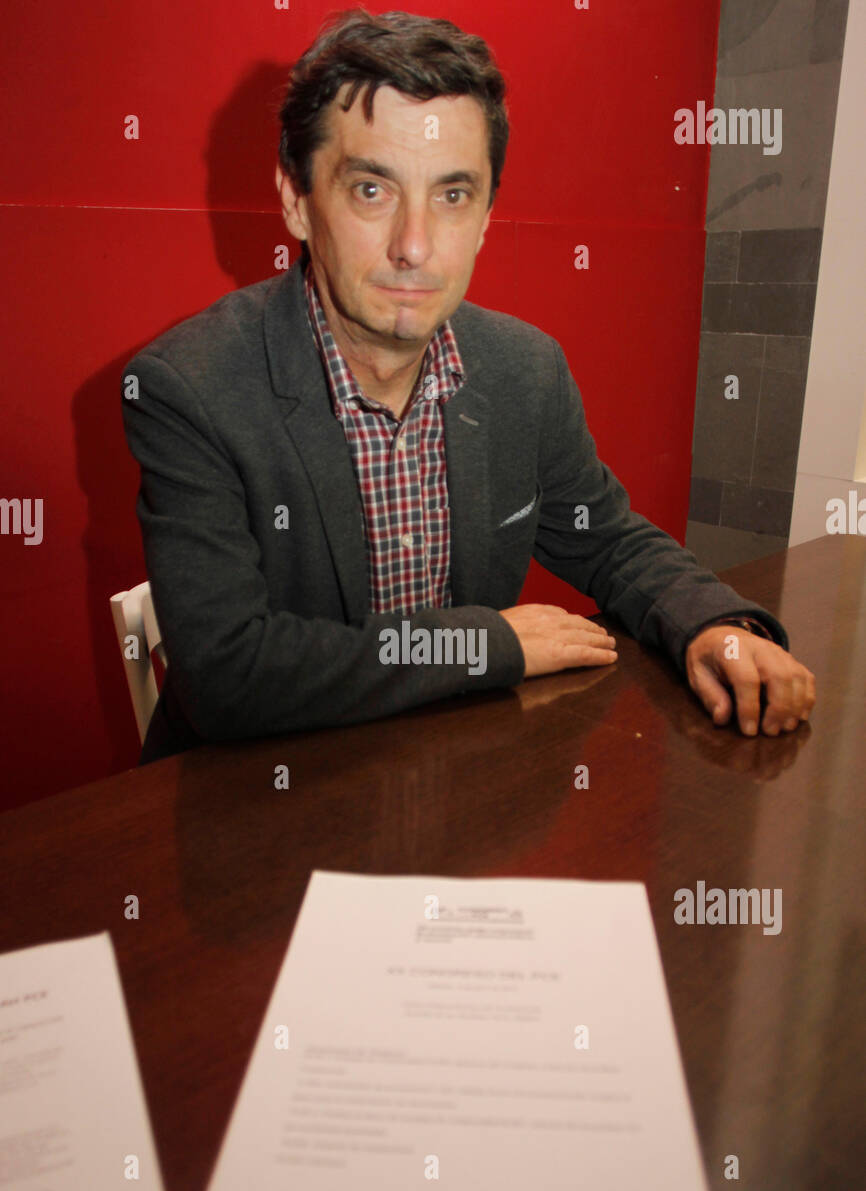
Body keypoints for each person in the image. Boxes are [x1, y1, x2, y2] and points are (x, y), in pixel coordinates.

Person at [121, 8, 816, 765]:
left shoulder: (525, 370)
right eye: (371, 190)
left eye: (452, 197)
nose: (415, 246)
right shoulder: (188, 388)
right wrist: (484, 643)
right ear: (296, 198)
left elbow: (608, 540)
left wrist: (713, 625)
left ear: (486, 216)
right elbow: (229, 674)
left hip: (459, 784)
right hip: (262, 800)